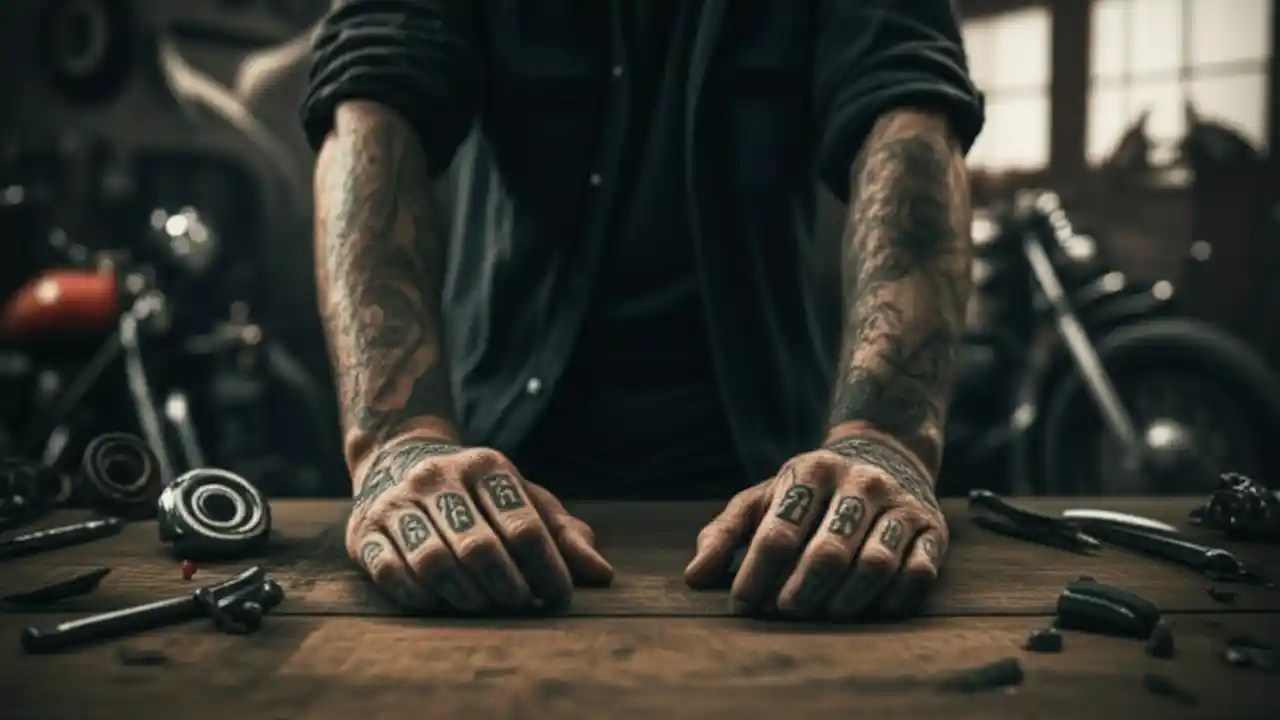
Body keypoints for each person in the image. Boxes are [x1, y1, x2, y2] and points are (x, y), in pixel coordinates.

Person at [302, 0, 983, 620]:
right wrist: (398, 441)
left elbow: (911, 115)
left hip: (780, 480)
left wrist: (885, 441)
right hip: (494, 474)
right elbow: (372, 101)